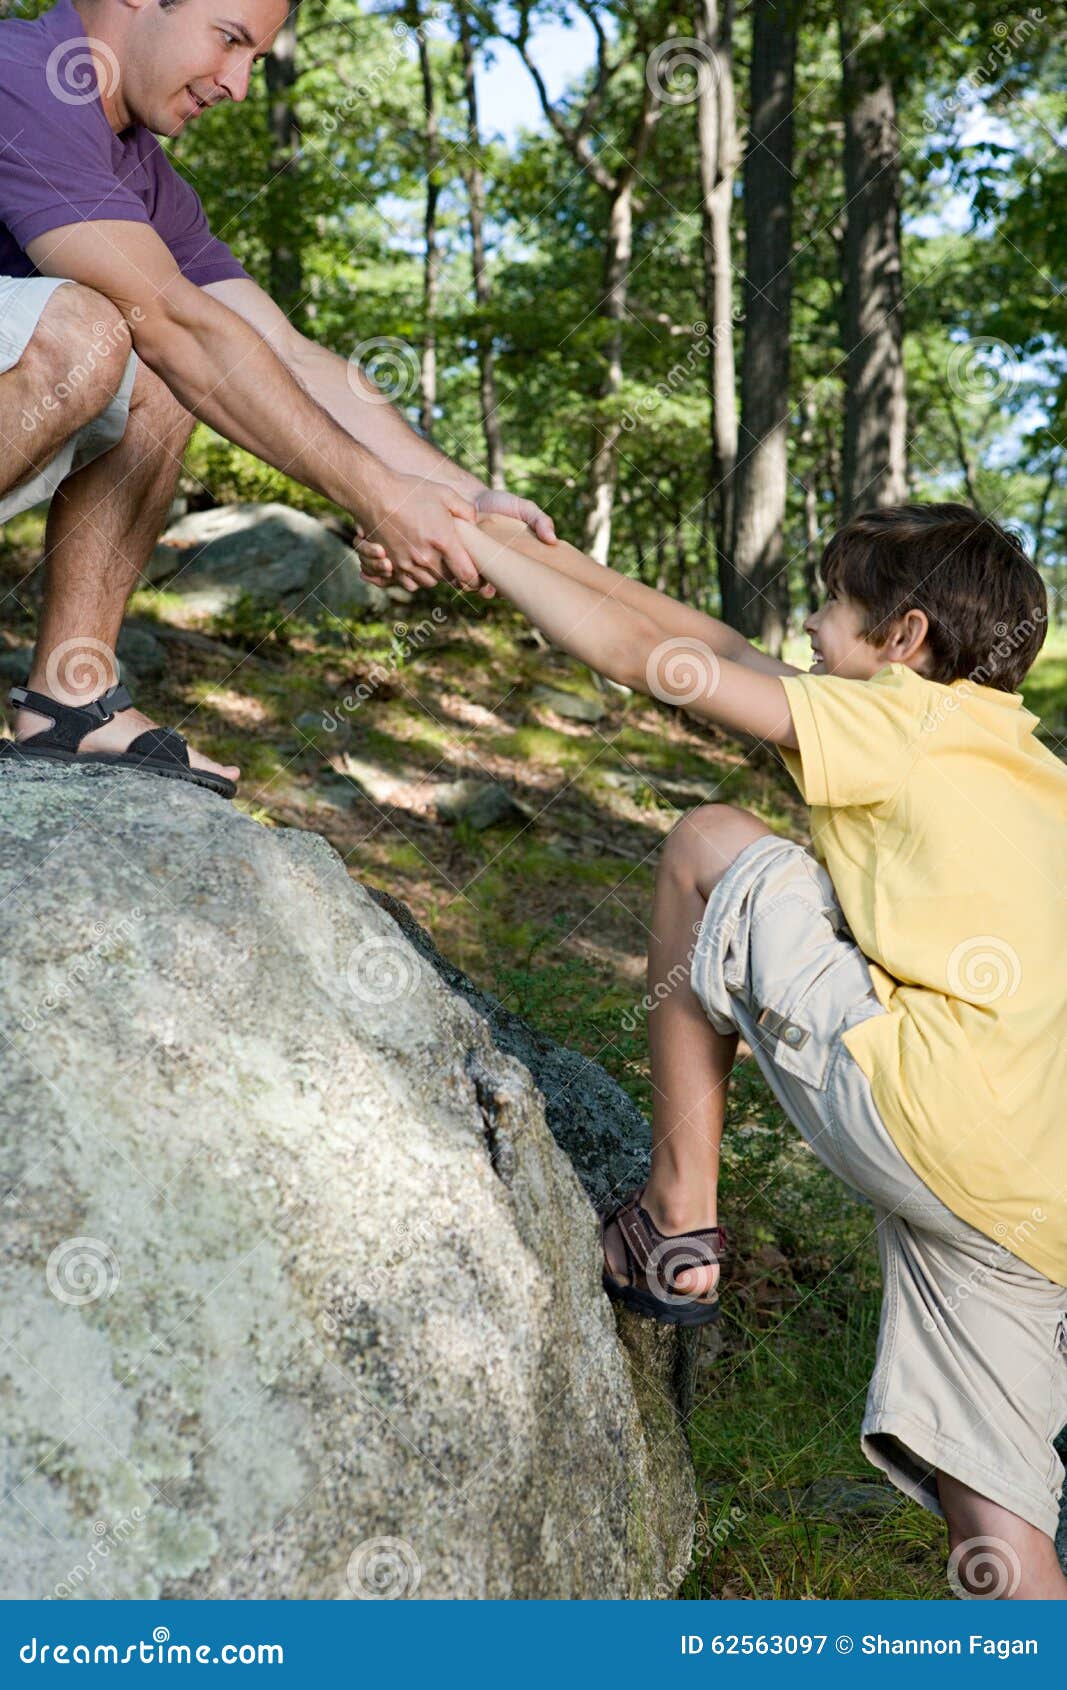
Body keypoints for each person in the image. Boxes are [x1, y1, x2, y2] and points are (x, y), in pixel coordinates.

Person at [419, 501, 1067, 1600]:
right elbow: (715, 647)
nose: (808, 628)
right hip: (1029, 1200)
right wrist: (538, 553)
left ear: (903, 637)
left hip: (923, 1116)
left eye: (831, 606)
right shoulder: (1021, 764)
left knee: (707, 843)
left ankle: (676, 1220)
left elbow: (650, 661)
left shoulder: (898, 719)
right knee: (995, 1529)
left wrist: (467, 545)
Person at [0, 0, 553, 796]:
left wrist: (459, 495)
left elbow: (285, 352)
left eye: (255, 60)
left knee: (163, 364)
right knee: (101, 329)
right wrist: (375, 496)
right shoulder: (23, 76)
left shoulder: (142, 178)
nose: (238, 85)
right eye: (228, 40)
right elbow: (176, 325)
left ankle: (71, 702)